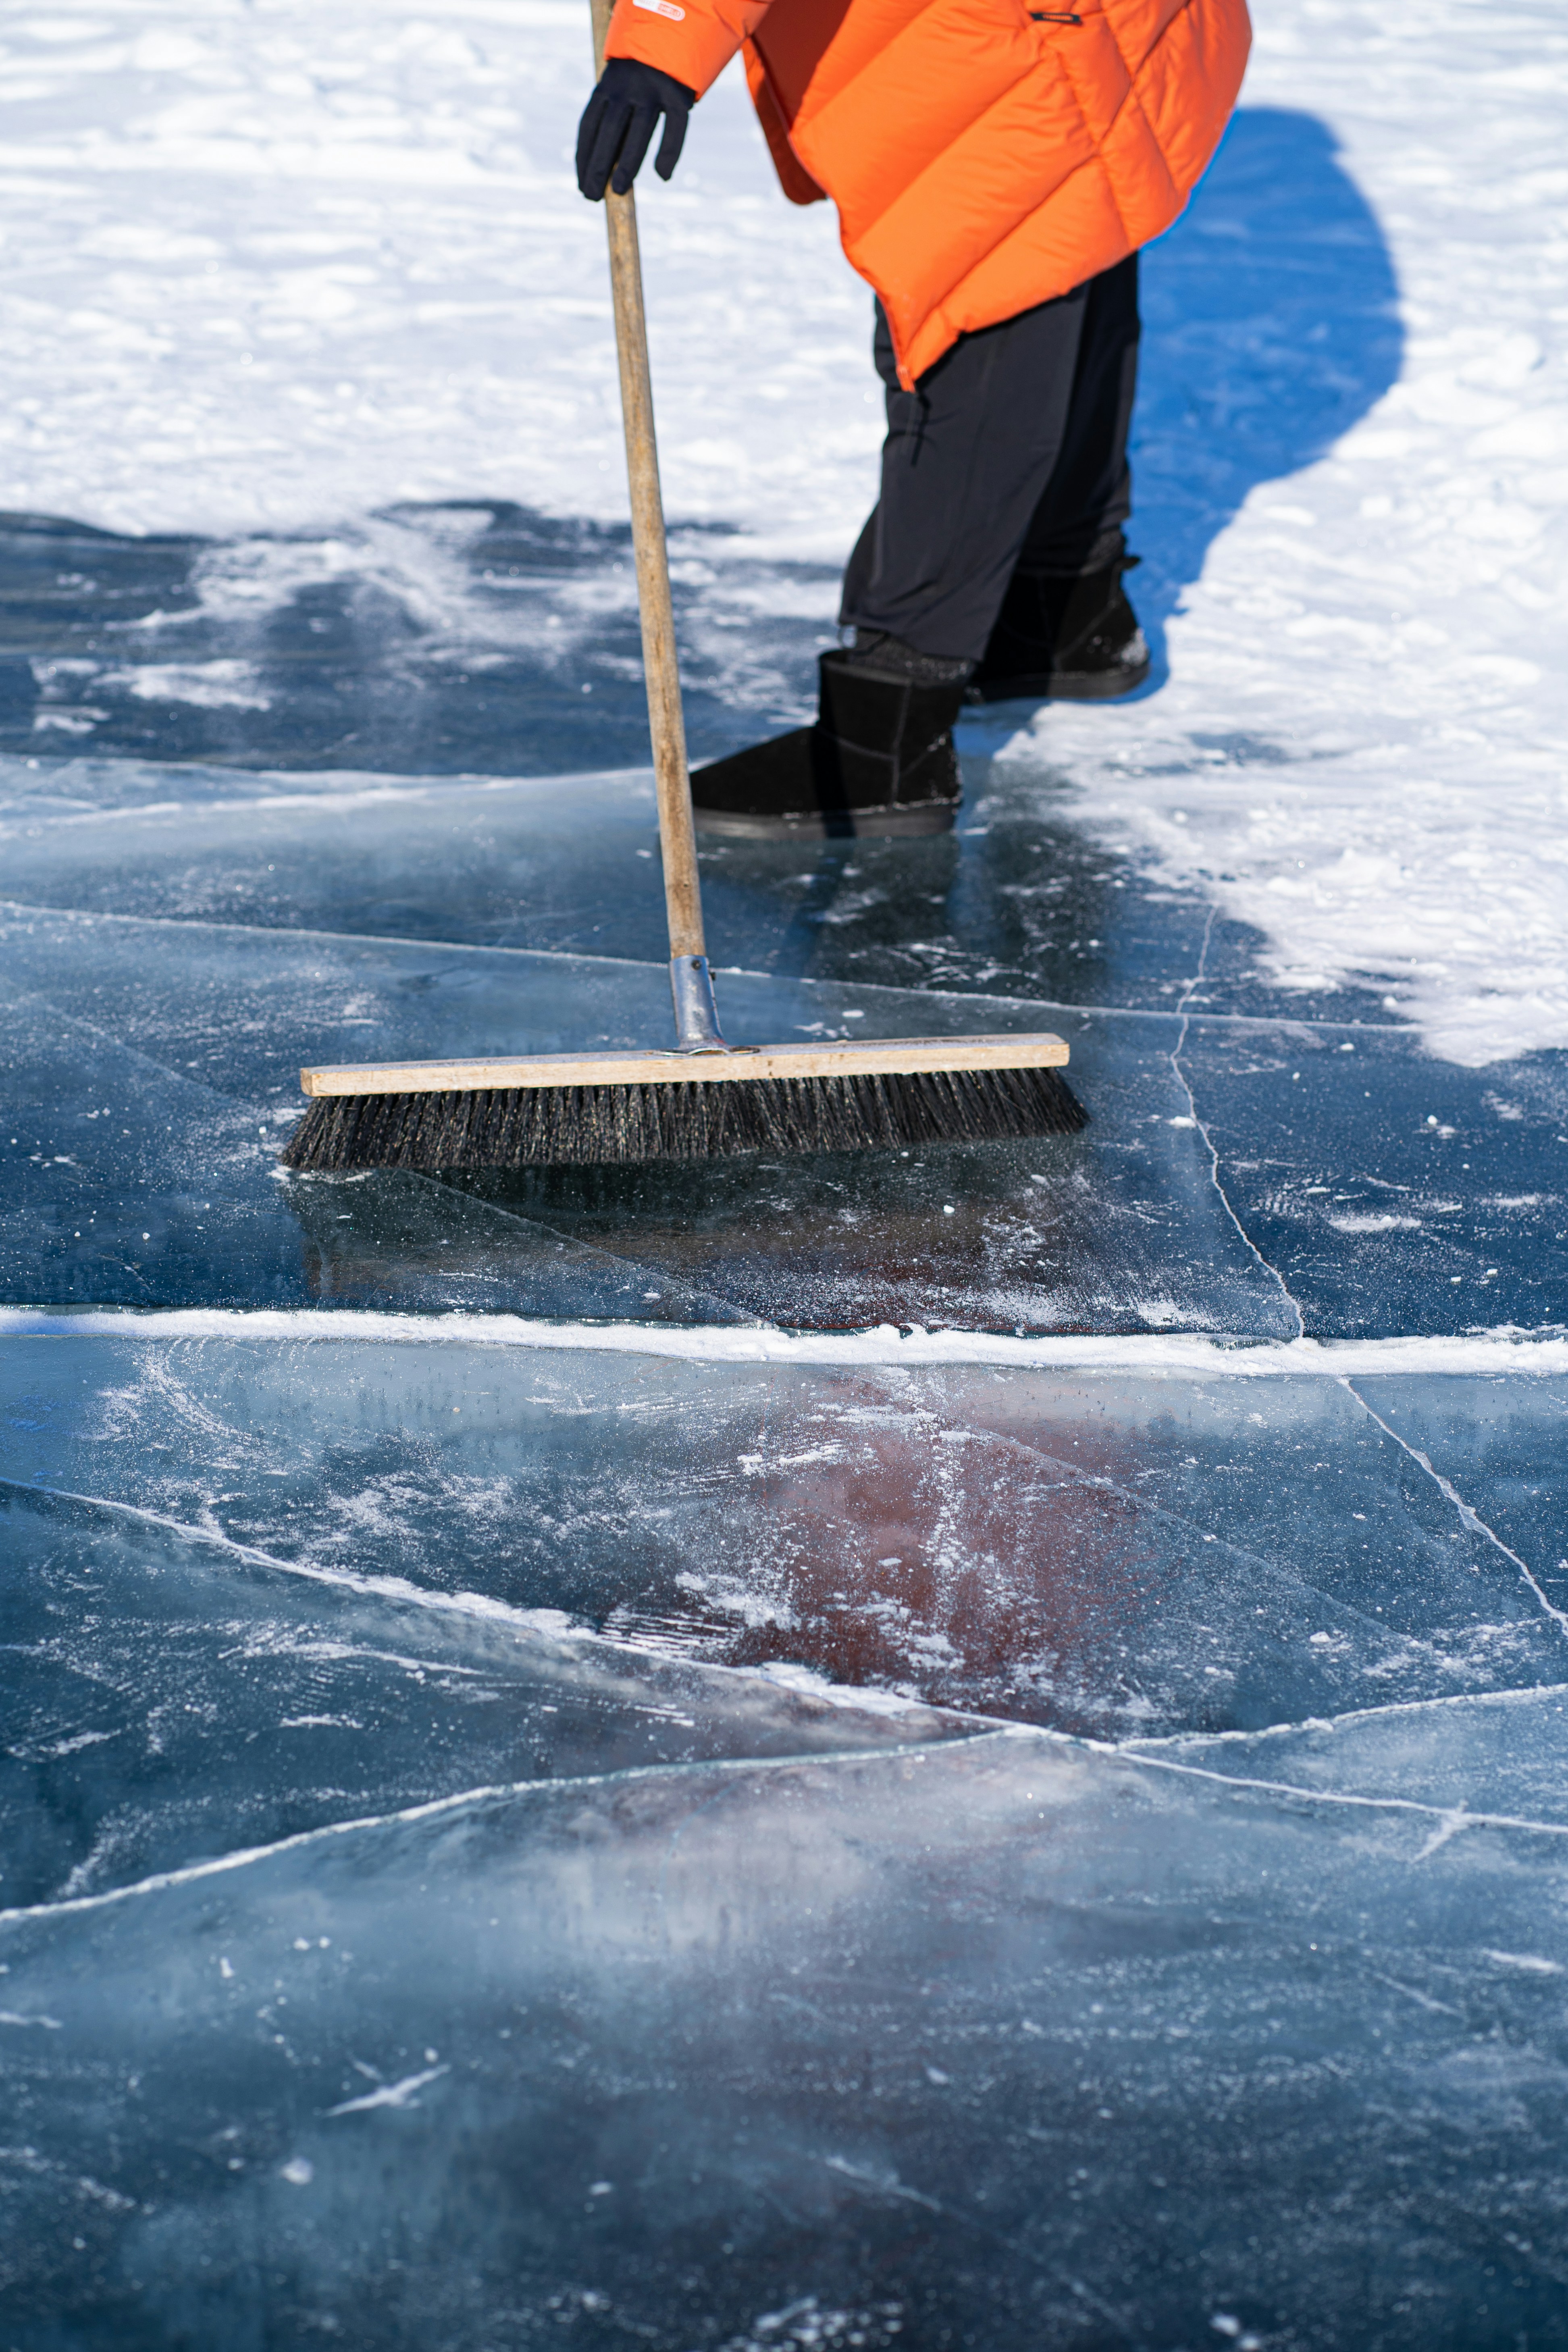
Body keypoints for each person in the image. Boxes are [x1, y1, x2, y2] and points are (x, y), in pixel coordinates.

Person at [578, 0, 1250, 839]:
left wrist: (660, 36)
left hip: (993, 43)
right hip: (1077, 29)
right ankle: (1060, 607)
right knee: (1068, 238)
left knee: (979, 305)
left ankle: (885, 741)